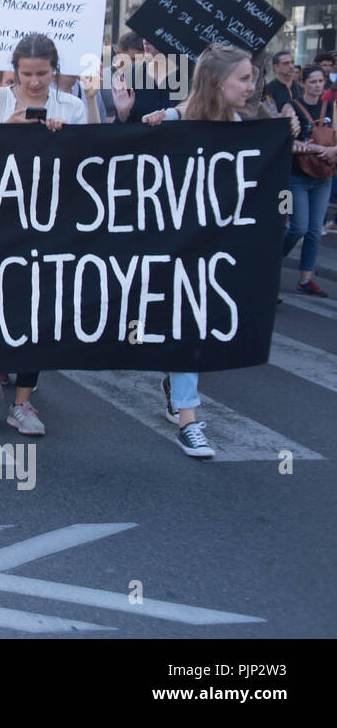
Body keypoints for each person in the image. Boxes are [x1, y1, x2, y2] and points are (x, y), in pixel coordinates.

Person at [0, 33, 101, 436]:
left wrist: (73, 130)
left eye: (42, 73)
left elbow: (97, 153)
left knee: (40, 306)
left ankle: (23, 401)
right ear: (14, 71)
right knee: (2, 299)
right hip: (1, 217)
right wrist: (4, 132)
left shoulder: (72, 105)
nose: (33, 82)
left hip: (52, 219)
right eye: (26, 74)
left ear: (54, 69)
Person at [141, 45, 270, 458]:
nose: (252, 87)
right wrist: (153, 124)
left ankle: (176, 389)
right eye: (245, 79)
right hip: (177, 246)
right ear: (219, 83)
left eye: (252, 78)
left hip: (221, 247)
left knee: (200, 325)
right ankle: (189, 420)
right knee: (187, 325)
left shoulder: (247, 126)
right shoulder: (176, 121)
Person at [281, 64, 337, 296]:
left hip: (324, 174)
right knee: (298, 226)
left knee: (314, 229)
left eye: (320, 81)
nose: (317, 86)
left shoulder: (331, 107)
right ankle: (271, 258)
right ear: (302, 83)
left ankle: (306, 279)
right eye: (312, 81)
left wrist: (333, 151)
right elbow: (283, 140)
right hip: (297, 176)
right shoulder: (291, 106)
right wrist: (304, 147)